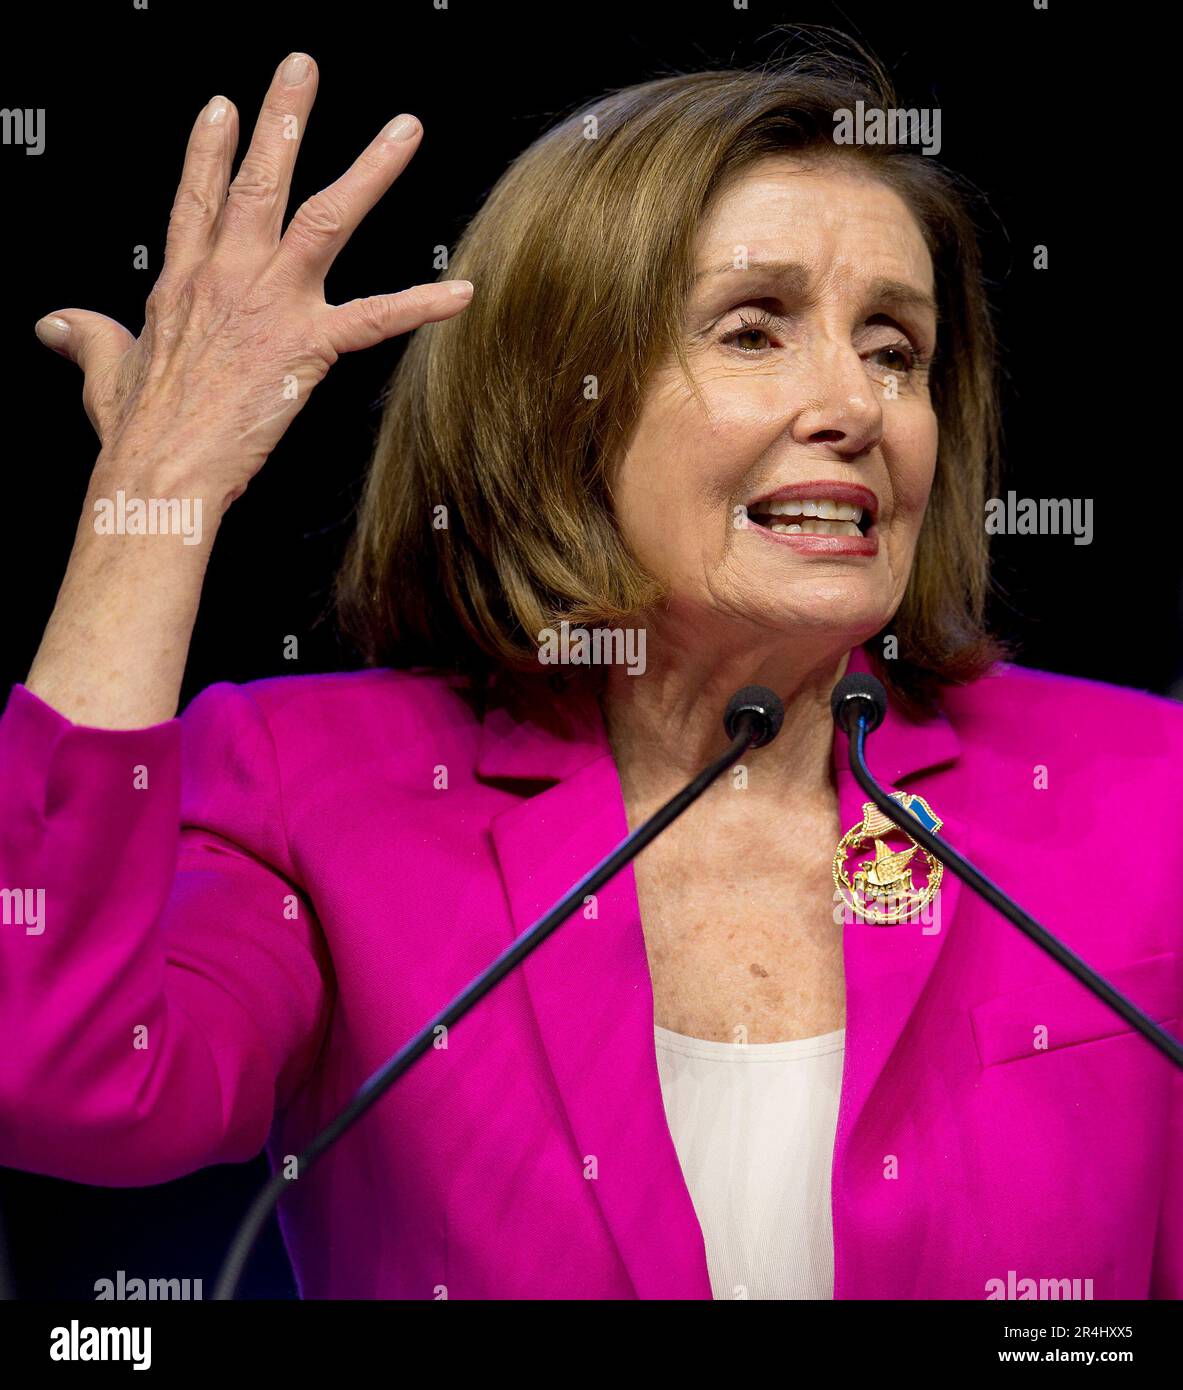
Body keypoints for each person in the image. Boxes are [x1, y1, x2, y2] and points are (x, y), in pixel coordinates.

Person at [2, 41, 1180, 1301]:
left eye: (895, 348)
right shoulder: (315, 791)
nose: (857, 403)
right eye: (752, 330)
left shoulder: (1143, 788)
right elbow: (61, 1075)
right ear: (562, 404)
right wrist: (156, 498)